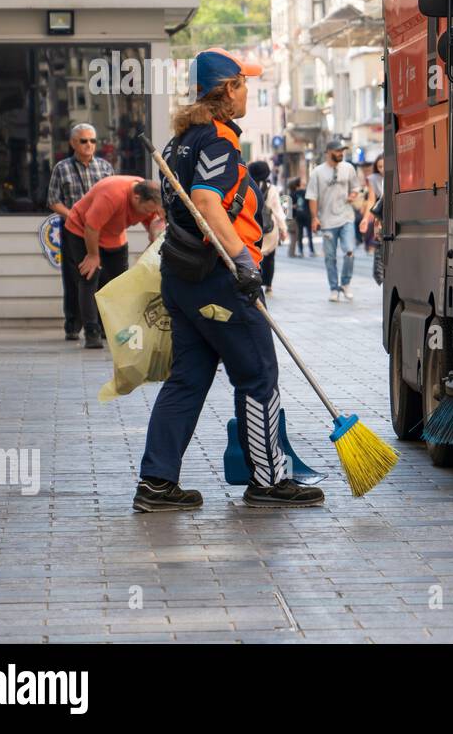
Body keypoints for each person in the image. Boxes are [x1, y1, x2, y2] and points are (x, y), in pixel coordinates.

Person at [136, 47, 323, 511]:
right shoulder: (217, 141)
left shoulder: (179, 141)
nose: (247, 91)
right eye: (243, 83)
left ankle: (156, 484)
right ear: (226, 90)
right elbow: (205, 201)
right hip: (218, 276)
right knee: (258, 373)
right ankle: (269, 479)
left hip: (181, 277)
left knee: (187, 380)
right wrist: (242, 261)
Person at [62, 175, 163, 348]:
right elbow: (91, 227)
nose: (148, 214)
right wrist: (93, 256)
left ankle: (110, 329)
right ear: (136, 198)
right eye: (146, 210)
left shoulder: (148, 198)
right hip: (82, 230)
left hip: (114, 234)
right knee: (90, 277)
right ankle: (92, 332)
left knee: (119, 282)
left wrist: (154, 242)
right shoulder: (112, 194)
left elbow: (152, 223)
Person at [47, 123, 116, 340]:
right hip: (73, 231)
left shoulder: (105, 167)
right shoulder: (62, 168)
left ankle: (102, 325)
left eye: (93, 141)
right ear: (73, 143)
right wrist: (74, 217)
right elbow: (52, 201)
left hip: (101, 231)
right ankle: (73, 325)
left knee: (104, 276)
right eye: (84, 141)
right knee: (75, 277)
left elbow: (114, 198)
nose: (89, 145)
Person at [308, 139, 361, 302]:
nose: (341, 154)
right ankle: (334, 288)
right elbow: (312, 197)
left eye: (342, 151)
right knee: (330, 257)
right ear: (328, 152)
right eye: (338, 151)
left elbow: (356, 187)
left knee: (349, 251)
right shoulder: (317, 172)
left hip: (346, 217)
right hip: (327, 221)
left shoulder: (348, 168)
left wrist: (353, 194)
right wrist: (314, 218)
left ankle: (345, 283)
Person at [247, 160, 287, 296]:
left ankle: (255, 282)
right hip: (270, 229)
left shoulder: (247, 187)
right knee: (270, 259)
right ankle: (268, 285)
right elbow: (278, 211)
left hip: (253, 227)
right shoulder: (272, 189)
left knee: (254, 256)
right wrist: (283, 229)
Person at [288, 177, 315, 257]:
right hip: (307, 215)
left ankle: (300, 251)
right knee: (309, 234)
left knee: (300, 234)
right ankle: (311, 251)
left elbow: (286, 205)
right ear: (299, 184)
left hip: (298, 216)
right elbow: (311, 203)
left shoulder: (292, 193)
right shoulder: (307, 192)